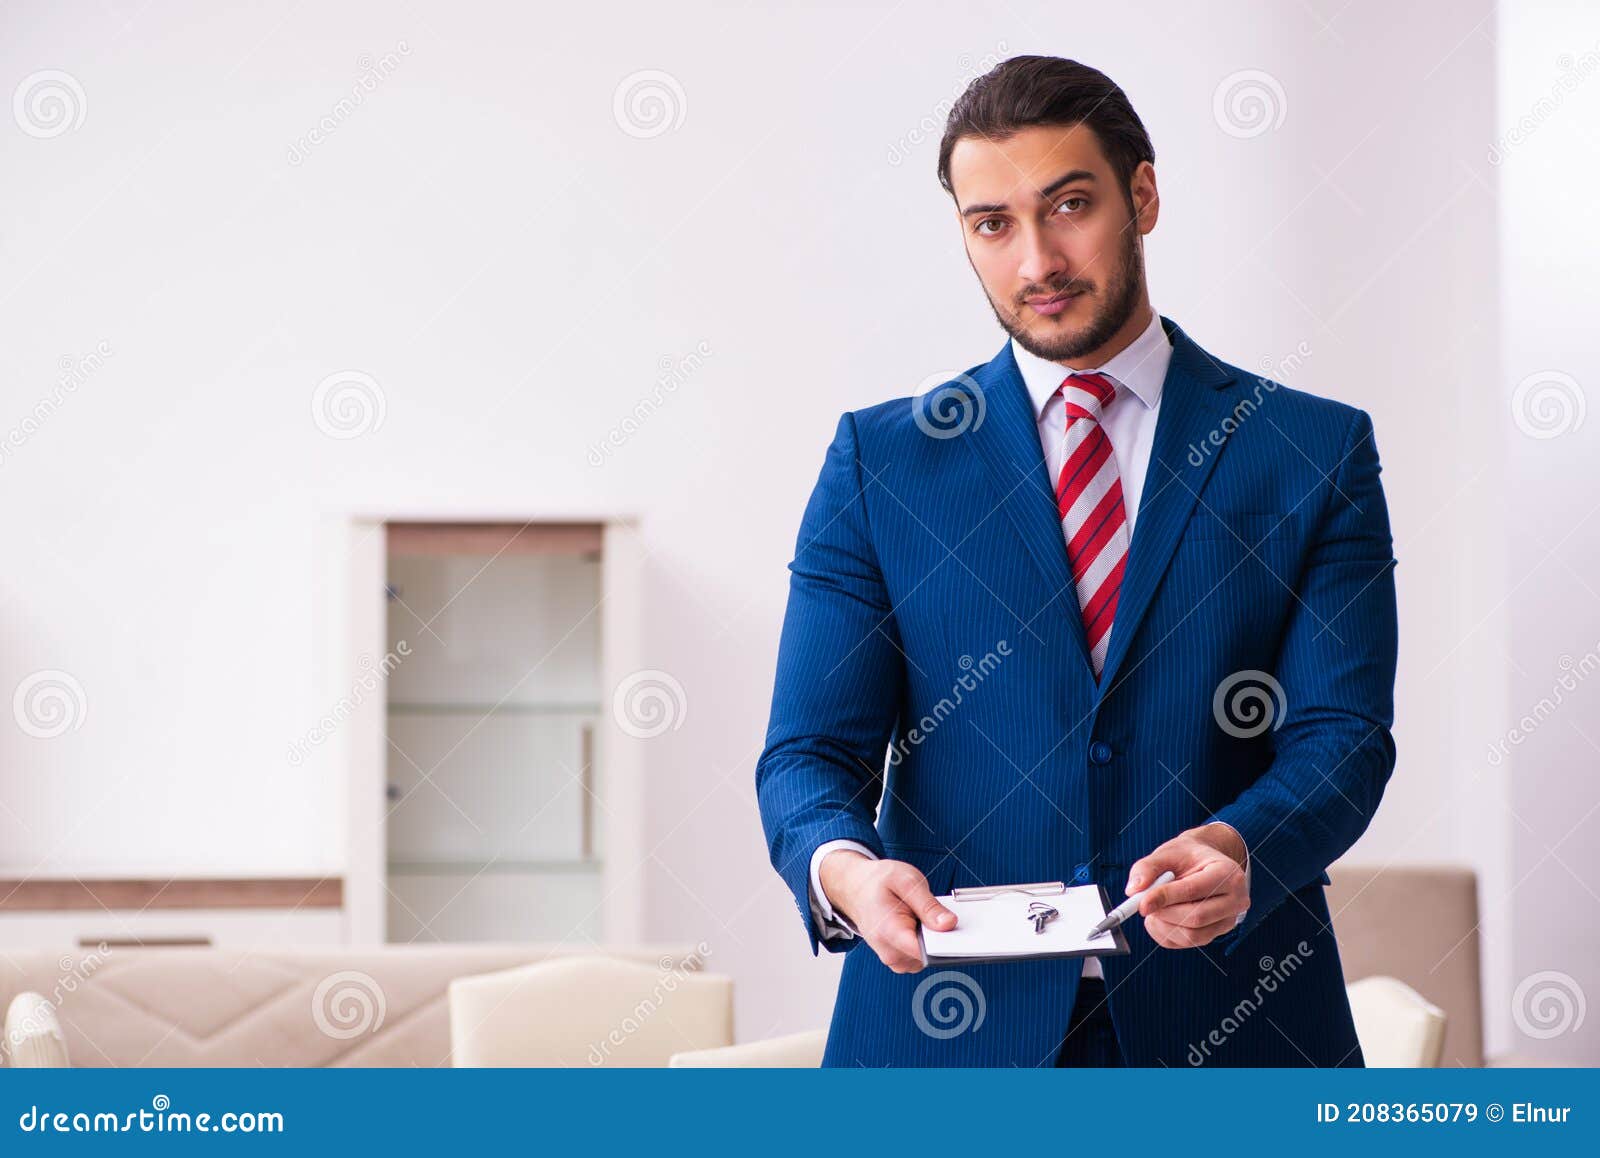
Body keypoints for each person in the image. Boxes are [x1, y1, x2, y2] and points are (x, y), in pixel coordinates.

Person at [755, 55, 1398, 1067]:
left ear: (1141, 196)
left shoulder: (1308, 452)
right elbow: (807, 756)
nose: (1036, 261)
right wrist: (842, 868)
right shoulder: (882, 464)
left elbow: (1344, 736)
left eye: (1068, 206)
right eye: (992, 224)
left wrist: (1243, 847)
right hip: (946, 1029)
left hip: (1236, 1024)